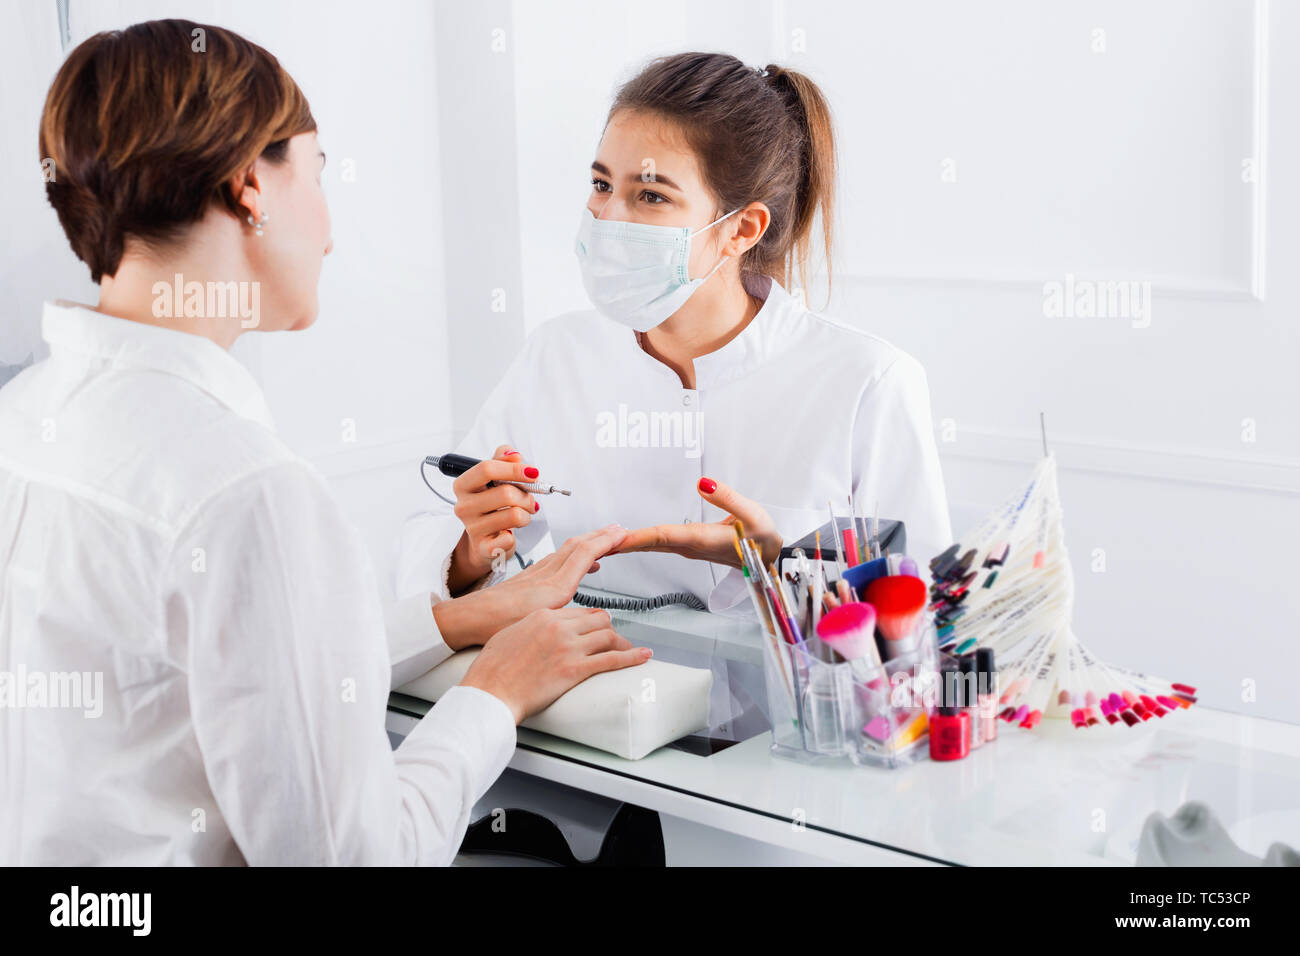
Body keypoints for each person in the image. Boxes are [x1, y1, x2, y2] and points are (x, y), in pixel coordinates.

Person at [0, 19, 646, 866]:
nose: (332, 230)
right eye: (318, 173)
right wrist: (495, 692)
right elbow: (355, 859)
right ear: (248, 188)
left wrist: (456, 619)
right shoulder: (244, 488)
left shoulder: (26, 416)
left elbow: (217, 685)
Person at [398, 52, 952, 617]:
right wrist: (470, 549)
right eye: (600, 183)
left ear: (741, 228)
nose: (608, 216)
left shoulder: (869, 381)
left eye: (652, 195)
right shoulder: (556, 355)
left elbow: (922, 614)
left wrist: (781, 567)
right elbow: (429, 547)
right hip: (590, 695)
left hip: (783, 704)